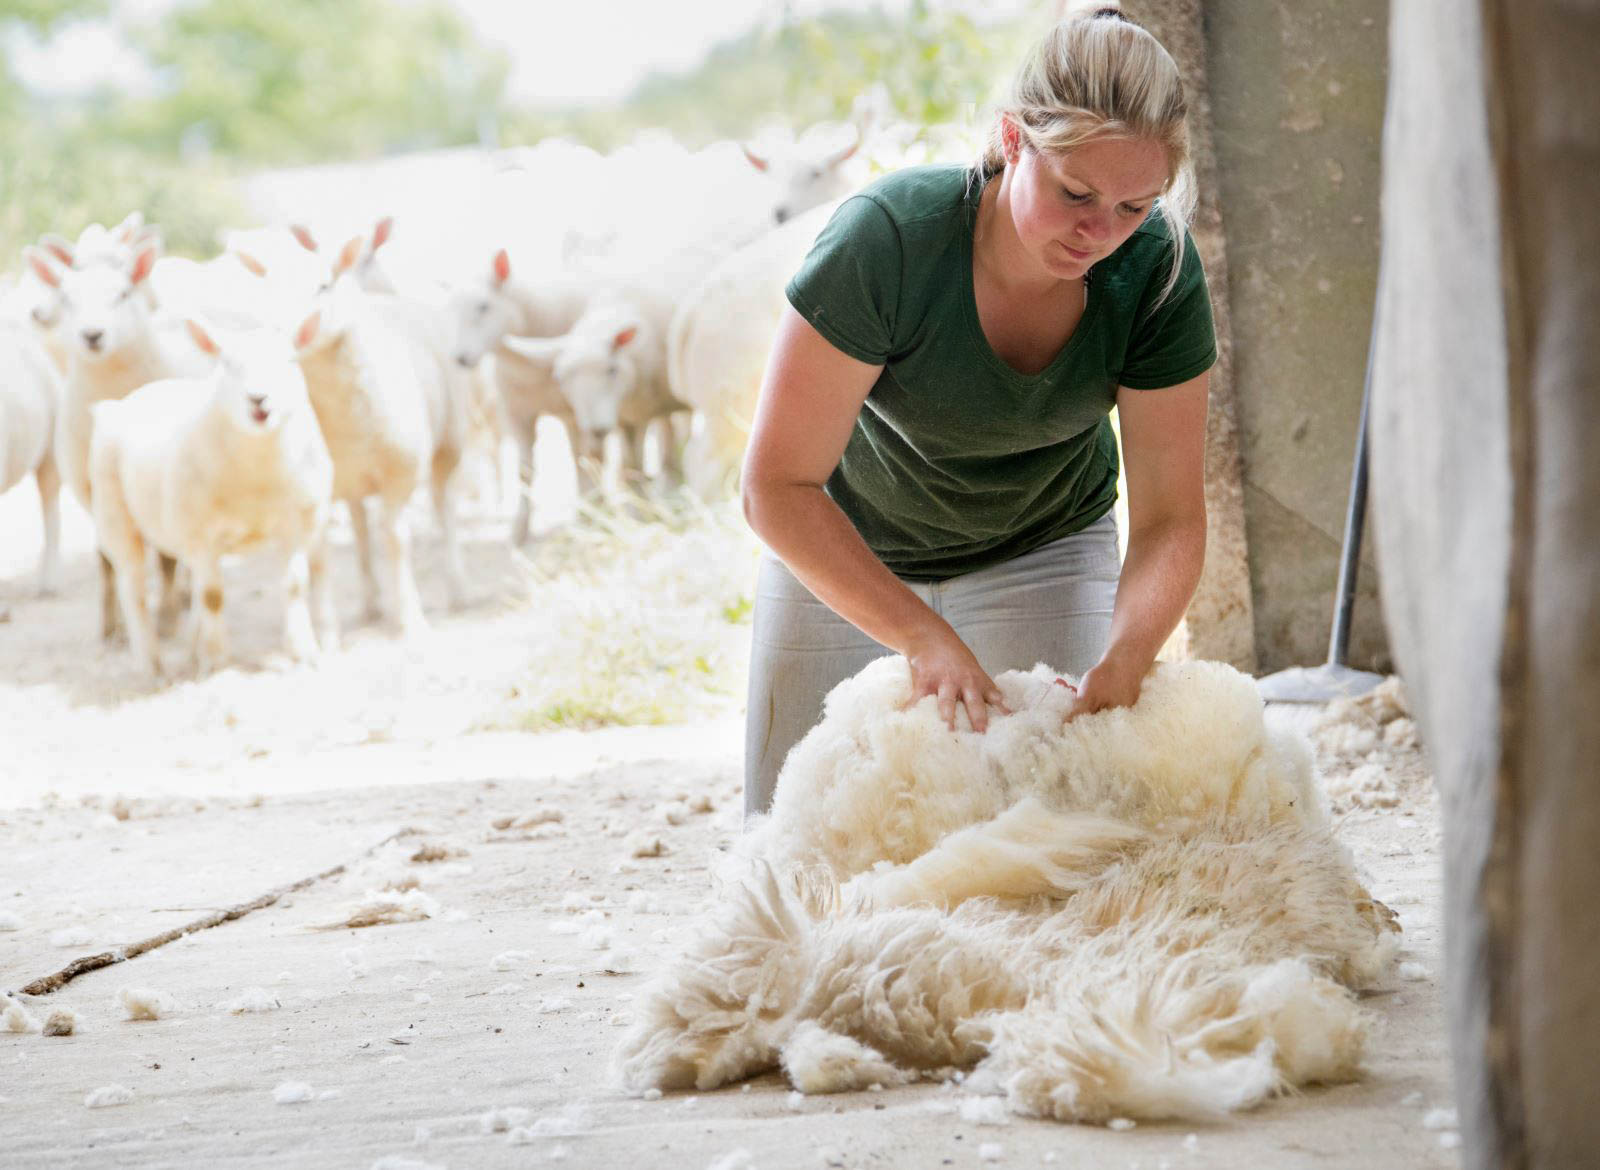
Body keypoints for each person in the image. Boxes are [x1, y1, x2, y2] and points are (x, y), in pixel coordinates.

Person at [740, 7, 1216, 819]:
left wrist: (1130, 653)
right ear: (1011, 139)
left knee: (1044, 829)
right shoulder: (887, 239)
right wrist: (922, 637)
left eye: (1135, 206)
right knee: (800, 838)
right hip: (855, 544)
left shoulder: (1157, 270)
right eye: (1076, 193)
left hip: (1043, 542)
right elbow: (775, 488)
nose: (1100, 233)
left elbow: (1171, 516)